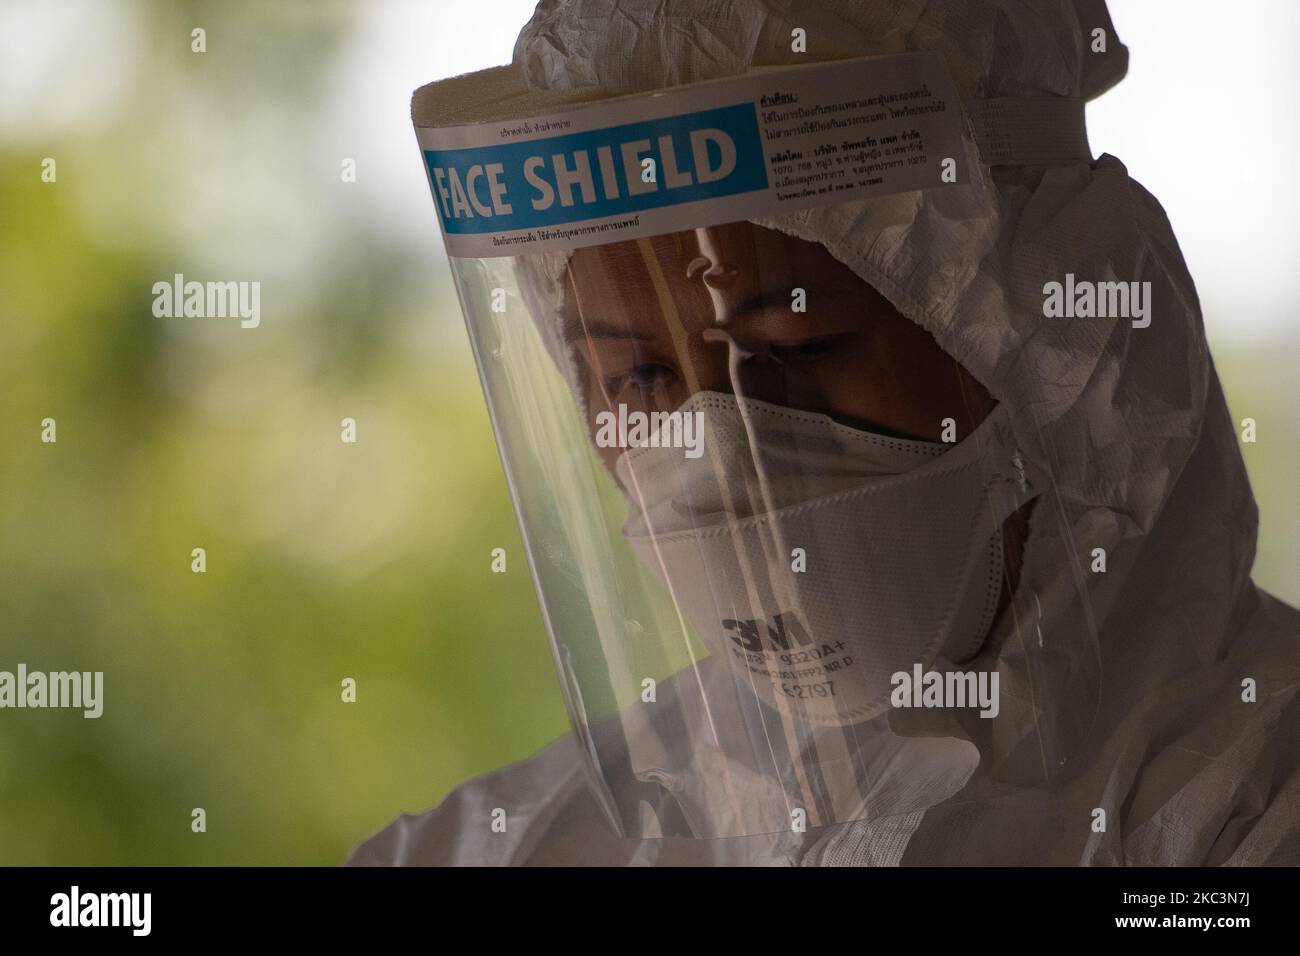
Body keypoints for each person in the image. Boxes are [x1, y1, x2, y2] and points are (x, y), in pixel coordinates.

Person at [348, 0, 1300, 865]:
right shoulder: (499, 849)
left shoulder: (1254, 803)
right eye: (639, 376)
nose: (717, 454)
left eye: (799, 345)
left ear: (1053, 357)